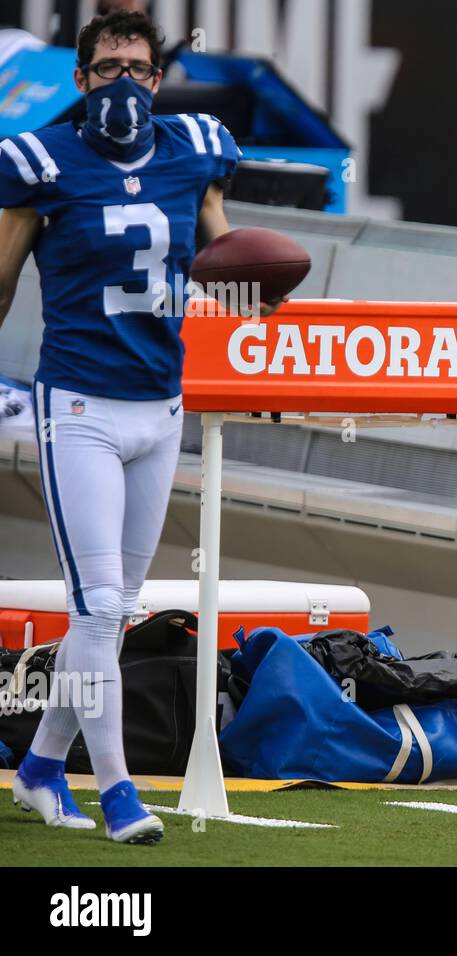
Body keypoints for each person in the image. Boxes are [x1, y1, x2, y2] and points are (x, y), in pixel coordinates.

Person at [0, 10, 279, 844]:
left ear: (158, 80)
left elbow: (226, 262)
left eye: (138, 68)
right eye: (108, 67)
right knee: (95, 610)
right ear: (79, 80)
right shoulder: (41, 160)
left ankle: (43, 769)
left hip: (161, 407)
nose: (124, 82)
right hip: (79, 405)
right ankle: (118, 791)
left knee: (112, 613)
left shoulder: (197, 147)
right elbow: (1, 281)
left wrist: (256, 295)